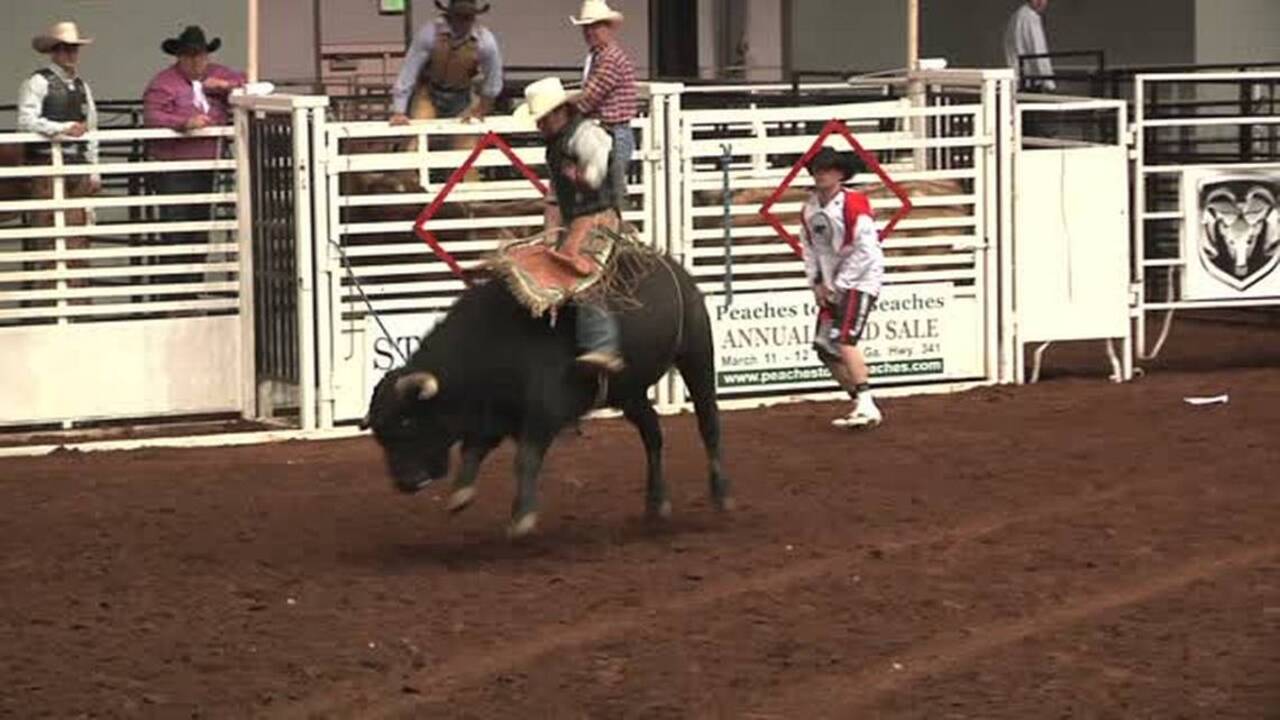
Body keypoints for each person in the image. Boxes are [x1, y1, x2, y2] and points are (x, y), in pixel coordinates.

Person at [516, 77, 624, 373]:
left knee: (578, 269)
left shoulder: (586, 134)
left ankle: (602, 345)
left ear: (559, 112)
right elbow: (555, 194)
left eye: (542, 119)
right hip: (574, 218)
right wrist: (551, 233)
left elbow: (598, 164)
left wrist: (585, 175)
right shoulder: (559, 144)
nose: (539, 126)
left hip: (598, 216)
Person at [800, 148, 884, 429]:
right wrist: (816, 283)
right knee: (825, 346)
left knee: (845, 338)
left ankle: (866, 403)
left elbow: (866, 251)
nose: (821, 174)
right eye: (817, 169)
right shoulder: (810, 208)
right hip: (832, 281)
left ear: (840, 174)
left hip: (860, 279)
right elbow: (809, 248)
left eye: (827, 169)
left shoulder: (854, 204)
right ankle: (859, 401)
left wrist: (838, 284)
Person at [142, 26, 245, 251]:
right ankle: (176, 281)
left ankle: (194, 282)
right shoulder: (164, 83)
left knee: (200, 230)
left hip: (207, 166)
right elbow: (153, 115)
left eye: (200, 55)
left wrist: (225, 87)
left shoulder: (217, 75)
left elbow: (248, 84)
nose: (196, 62)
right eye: (190, 56)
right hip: (175, 167)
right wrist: (183, 123)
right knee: (176, 231)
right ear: (180, 57)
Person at [17, 21, 100, 283]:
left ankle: (75, 301)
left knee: (78, 233)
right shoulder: (38, 82)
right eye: (64, 49)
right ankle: (52, 302)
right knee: (50, 232)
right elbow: (25, 121)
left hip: (75, 163)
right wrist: (63, 128)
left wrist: (94, 167)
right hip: (46, 165)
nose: (70, 54)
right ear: (53, 51)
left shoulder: (82, 86)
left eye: (73, 49)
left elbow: (92, 127)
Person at [390, 0, 503, 124]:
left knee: (467, 139)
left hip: (463, 97)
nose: (462, 22)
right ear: (450, 16)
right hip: (430, 94)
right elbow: (409, 71)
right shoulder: (430, 33)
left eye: (467, 17)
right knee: (418, 135)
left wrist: (482, 108)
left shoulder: (484, 41)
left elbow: (493, 79)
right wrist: (399, 111)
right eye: (458, 16)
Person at [571, 0, 637, 212]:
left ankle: (621, 233)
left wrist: (564, 110)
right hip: (606, 131)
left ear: (608, 28)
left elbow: (589, 97)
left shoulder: (609, 59)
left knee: (612, 192)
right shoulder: (600, 56)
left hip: (613, 132)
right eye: (586, 27)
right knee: (605, 191)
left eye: (595, 26)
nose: (589, 32)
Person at [1003, 0, 1056, 92]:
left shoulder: (1017, 15)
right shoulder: (1030, 17)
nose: (1041, 2)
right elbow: (1038, 51)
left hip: (1018, 81)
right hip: (1029, 82)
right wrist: (1049, 84)